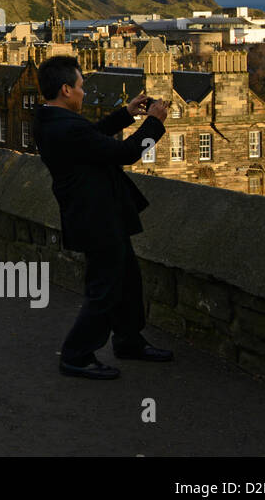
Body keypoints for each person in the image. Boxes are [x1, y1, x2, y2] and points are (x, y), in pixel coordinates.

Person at [33, 55, 171, 380]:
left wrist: (126, 114)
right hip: (96, 217)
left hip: (99, 213)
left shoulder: (51, 119)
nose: (84, 92)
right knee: (105, 288)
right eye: (81, 87)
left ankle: (128, 341)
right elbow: (126, 154)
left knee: (126, 280)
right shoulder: (65, 127)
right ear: (66, 89)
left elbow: (91, 135)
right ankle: (76, 355)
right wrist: (154, 123)